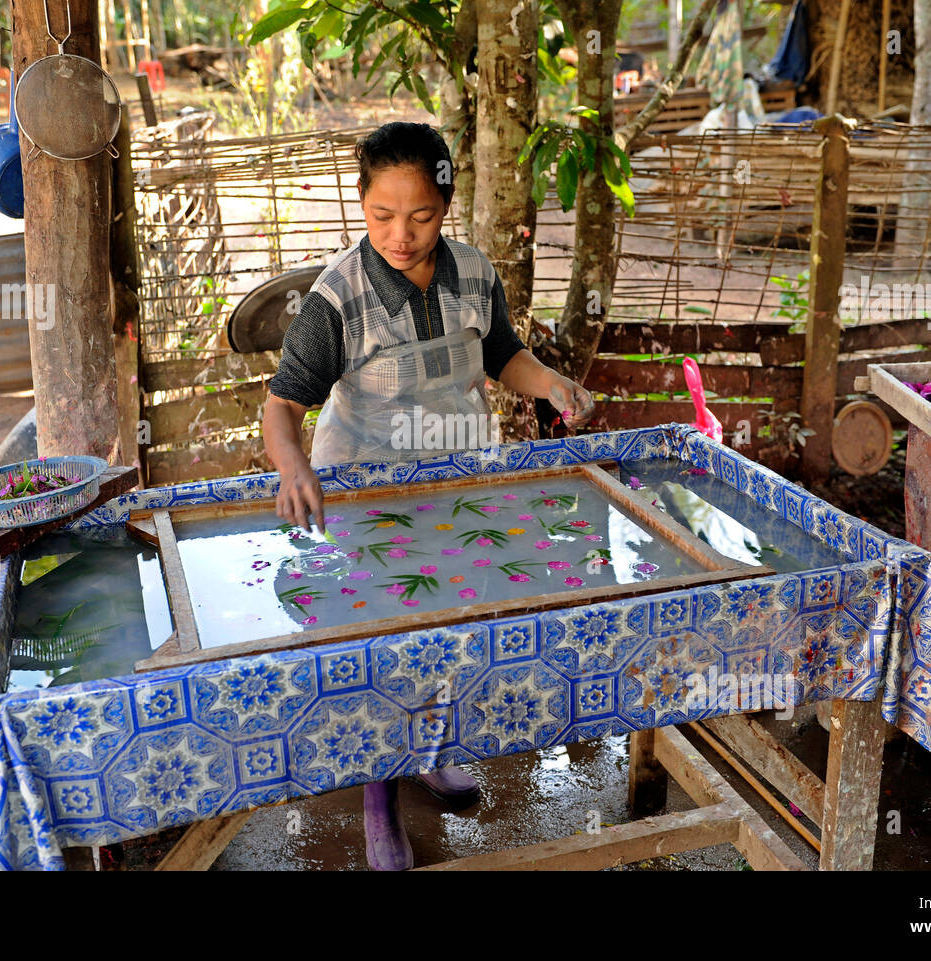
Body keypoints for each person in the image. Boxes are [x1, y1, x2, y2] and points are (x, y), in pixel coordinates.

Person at [262, 121, 594, 870]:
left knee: (450, 628)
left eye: (420, 217)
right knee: (383, 644)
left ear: (445, 205)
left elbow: (502, 353)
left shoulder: (474, 272)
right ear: (361, 203)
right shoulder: (339, 295)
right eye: (381, 215)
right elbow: (282, 407)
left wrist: (551, 384)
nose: (400, 235)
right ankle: (380, 804)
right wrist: (292, 467)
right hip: (364, 496)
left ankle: (432, 753)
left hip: (458, 486)